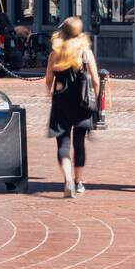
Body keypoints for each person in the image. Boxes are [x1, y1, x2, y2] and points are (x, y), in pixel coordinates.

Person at [45, 16, 100, 197]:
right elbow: (96, 80)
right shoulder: (85, 52)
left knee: (63, 142)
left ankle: (67, 179)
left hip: (61, 102)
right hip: (82, 103)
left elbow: (48, 80)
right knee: (79, 143)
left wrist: (49, 92)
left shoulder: (56, 52)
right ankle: (79, 182)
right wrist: (96, 101)